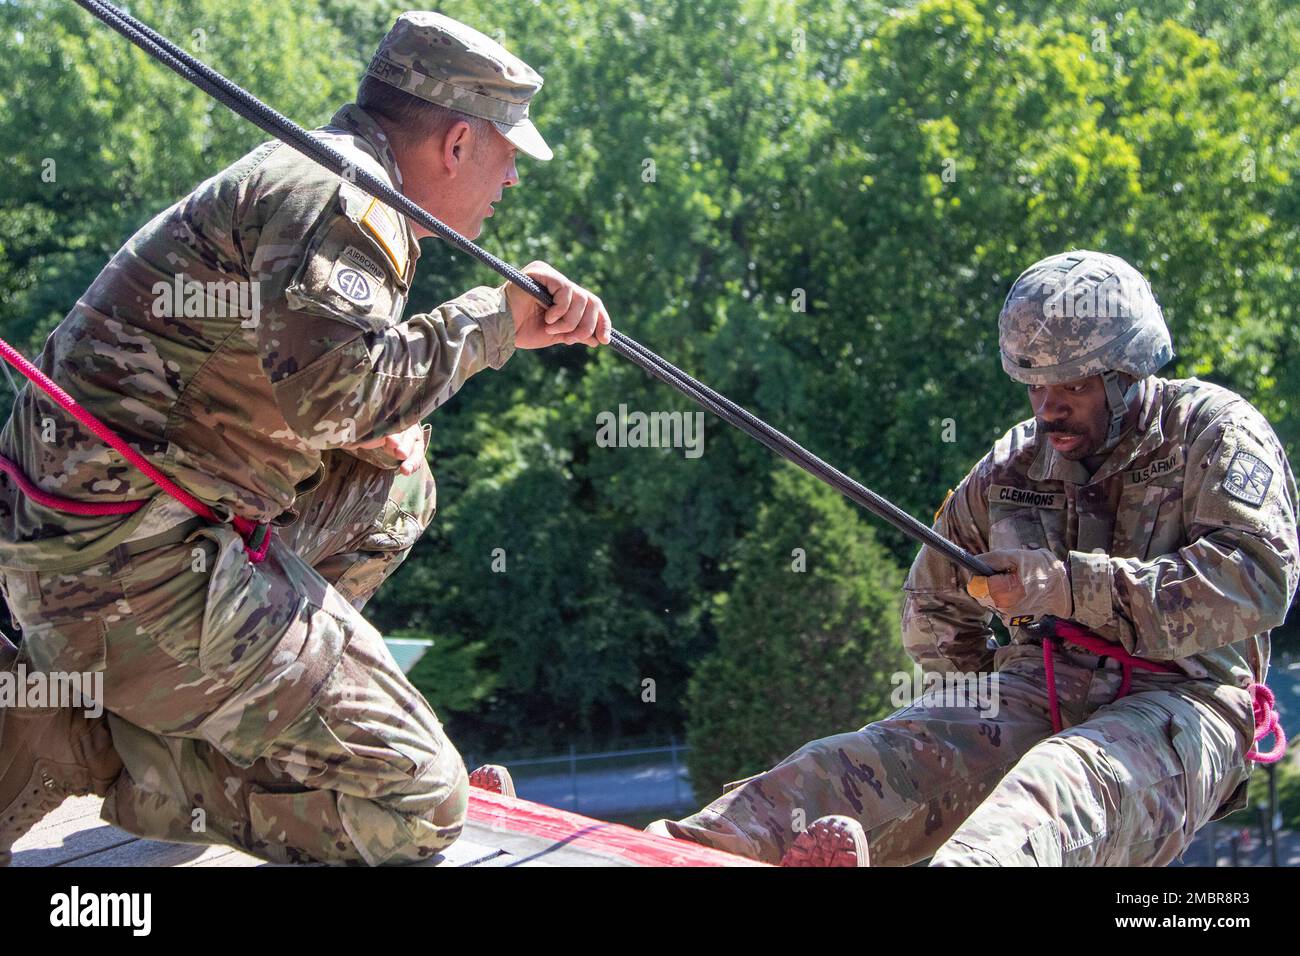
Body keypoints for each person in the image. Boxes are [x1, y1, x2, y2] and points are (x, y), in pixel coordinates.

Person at [0, 10, 610, 866]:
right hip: (118, 571)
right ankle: (98, 742)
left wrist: (395, 411)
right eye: (510, 154)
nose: (513, 179)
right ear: (460, 142)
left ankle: (199, 706)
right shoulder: (348, 201)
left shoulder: (319, 173)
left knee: (394, 484)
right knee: (416, 805)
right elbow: (337, 401)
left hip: (93, 541)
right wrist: (490, 323)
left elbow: (294, 383)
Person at [649, 250, 1297, 866]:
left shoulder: (1212, 433)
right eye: (1033, 387)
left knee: (1054, 791)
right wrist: (983, 703)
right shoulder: (1011, 465)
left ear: (1126, 374)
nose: (1047, 409)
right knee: (862, 763)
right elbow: (931, 608)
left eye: (1068, 385)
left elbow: (1260, 578)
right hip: (1035, 690)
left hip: (1184, 705)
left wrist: (1070, 587)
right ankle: (683, 853)